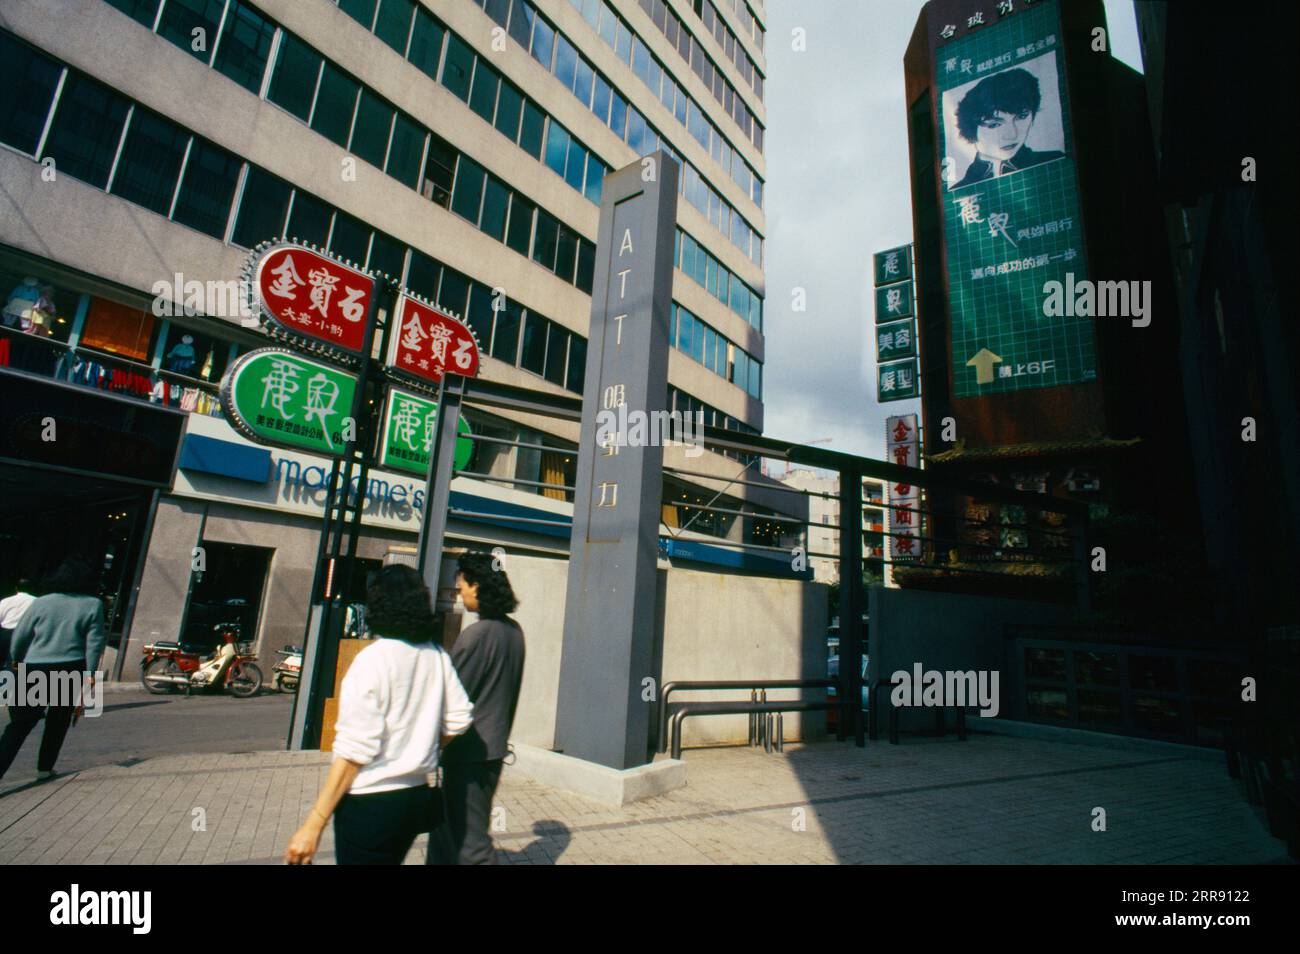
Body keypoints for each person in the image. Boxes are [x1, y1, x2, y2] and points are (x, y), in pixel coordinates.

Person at [284, 565, 473, 865]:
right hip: (414, 797)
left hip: (370, 801)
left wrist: (314, 823)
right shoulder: (436, 655)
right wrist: (423, 748)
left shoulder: (371, 660)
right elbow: (459, 719)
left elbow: (354, 752)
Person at [430, 551, 526, 865]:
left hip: (467, 755)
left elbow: (452, 699)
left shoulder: (475, 636)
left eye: (462, 588)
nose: (460, 594)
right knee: (446, 835)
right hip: (493, 751)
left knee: (471, 846)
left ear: (478, 586)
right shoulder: (514, 632)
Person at [0, 560, 104, 782]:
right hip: (70, 668)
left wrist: (17, 661)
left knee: (18, 725)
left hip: (34, 667)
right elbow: (94, 645)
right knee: (57, 722)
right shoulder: (93, 605)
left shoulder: (41, 603)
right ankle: (45, 768)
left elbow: (21, 636)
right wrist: (91, 675)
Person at [952, 67, 1064, 189]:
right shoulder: (960, 190)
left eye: (1021, 117)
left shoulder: (1055, 163)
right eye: (994, 124)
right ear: (971, 130)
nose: (1012, 134)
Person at [0, 578, 36, 669]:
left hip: (5, 634)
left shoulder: (5, 601)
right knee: (19, 665)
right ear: (31, 588)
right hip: (25, 635)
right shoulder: (36, 601)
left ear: (16, 588)